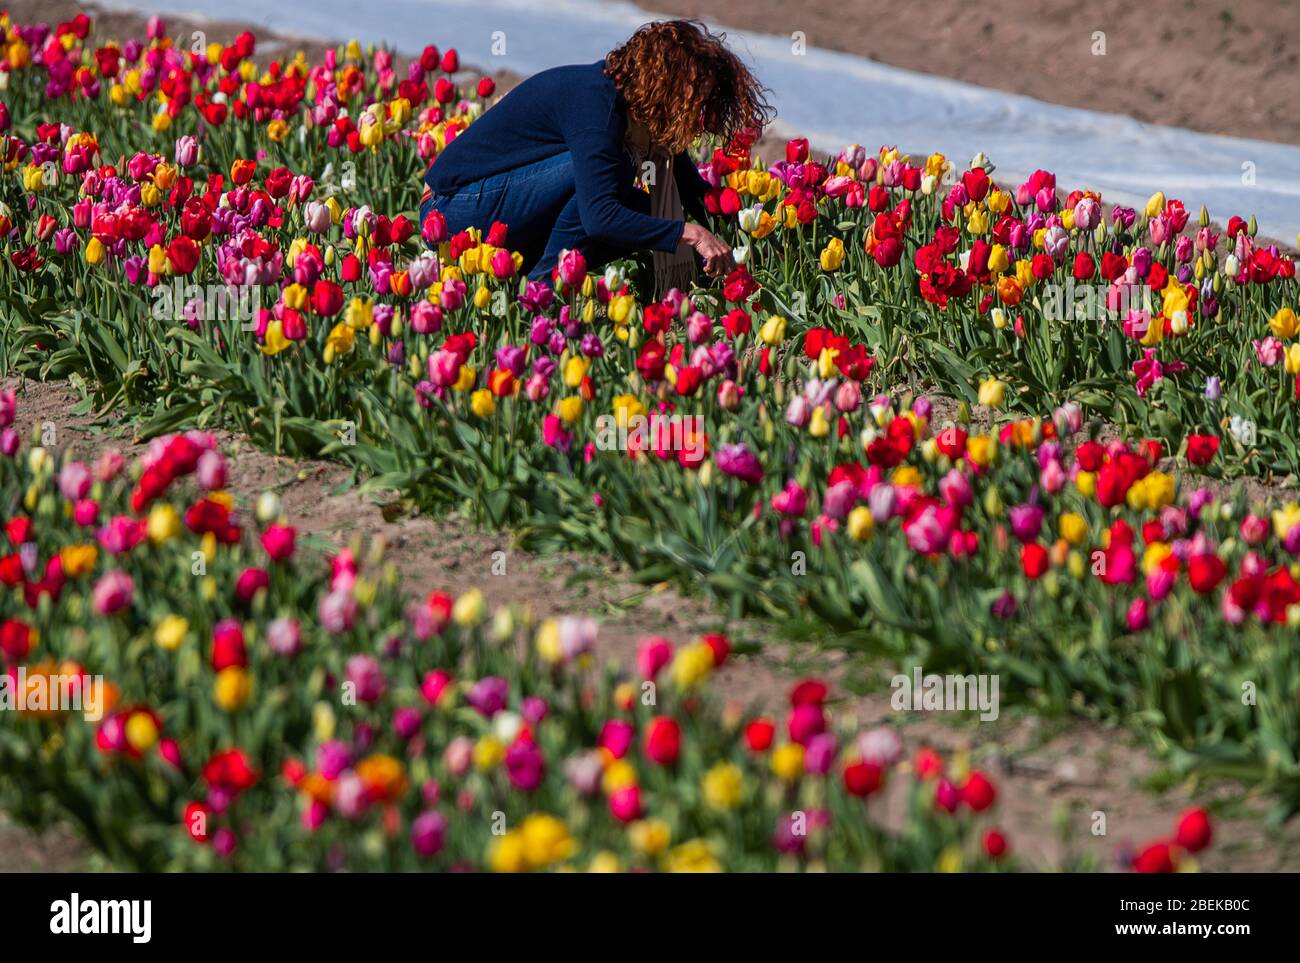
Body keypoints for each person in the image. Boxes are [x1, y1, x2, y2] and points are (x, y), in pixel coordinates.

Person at [419, 19, 772, 292]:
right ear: (666, 89)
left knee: (650, 211)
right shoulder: (596, 106)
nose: (698, 117)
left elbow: (693, 194)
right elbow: (600, 218)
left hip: (499, 210)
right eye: (695, 103)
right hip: (455, 209)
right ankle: (543, 291)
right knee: (612, 181)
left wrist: (746, 239)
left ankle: (533, 282)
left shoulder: (643, 116)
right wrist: (691, 234)